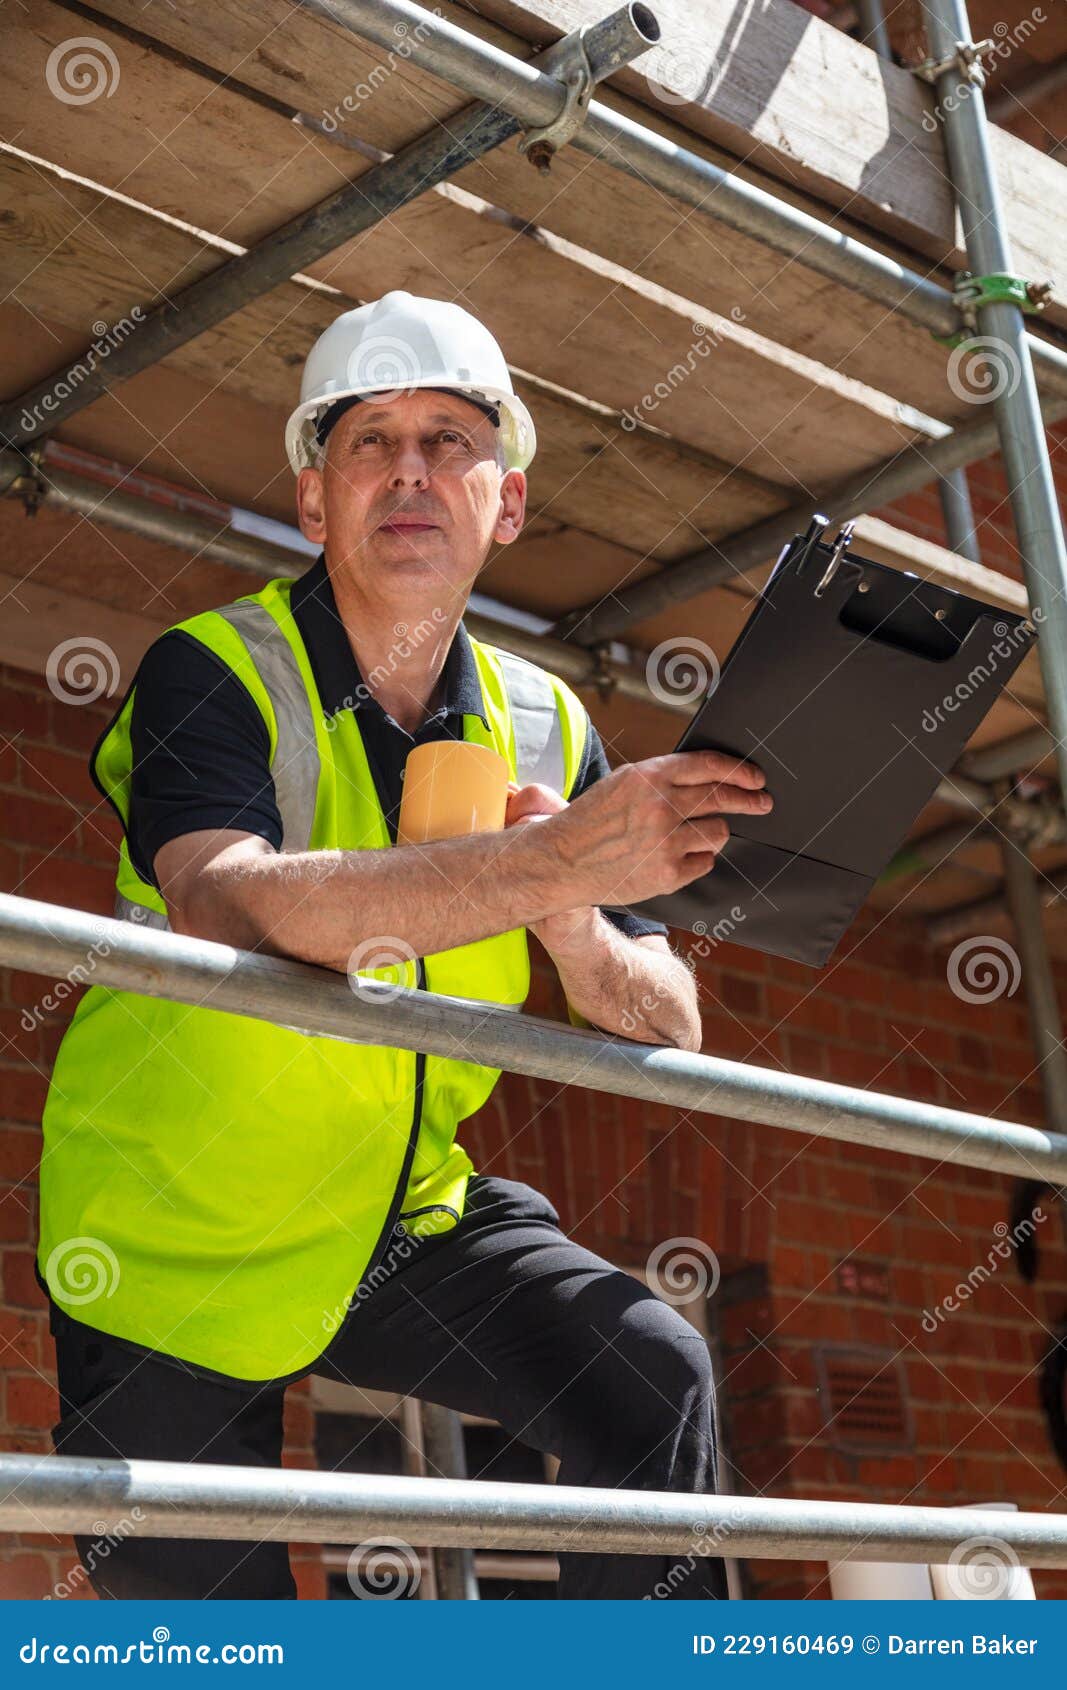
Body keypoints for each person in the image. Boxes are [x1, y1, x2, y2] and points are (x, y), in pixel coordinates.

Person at [36, 291, 772, 1600]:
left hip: (399, 1215)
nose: (412, 471)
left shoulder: (547, 719)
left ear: (510, 502)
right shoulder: (212, 669)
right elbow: (226, 902)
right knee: (213, 1645)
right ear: (315, 504)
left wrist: (569, 910)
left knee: (652, 1366)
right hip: (171, 1230)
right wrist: (547, 858)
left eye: (450, 438)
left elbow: (670, 1017)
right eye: (369, 440)